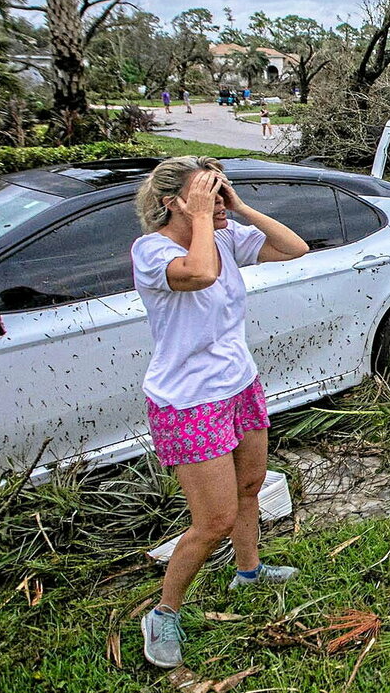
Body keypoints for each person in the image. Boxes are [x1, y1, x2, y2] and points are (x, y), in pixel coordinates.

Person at [131, 157, 309, 669]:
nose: (217, 196)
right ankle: (164, 614)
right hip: (189, 402)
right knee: (213, 521)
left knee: (251, 486)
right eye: (205, 191)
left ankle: (249, 570)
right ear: (173, 203)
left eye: (219, 188)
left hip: (239, 385)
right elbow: (200, 274)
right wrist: (206, 219)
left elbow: (293, 247)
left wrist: (238, 206)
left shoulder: (226, 237)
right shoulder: (152, 250)